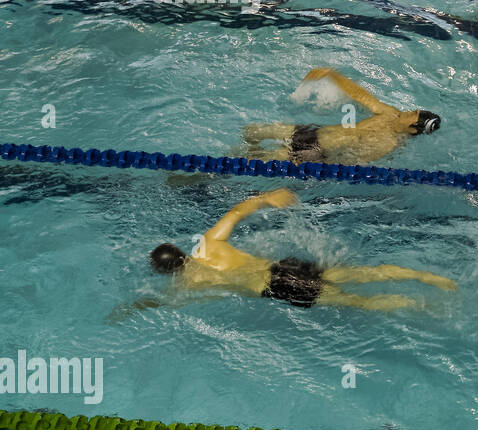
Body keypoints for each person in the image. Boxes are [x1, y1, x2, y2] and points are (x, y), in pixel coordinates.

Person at [133, 189, 456, 314]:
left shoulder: (189, 282)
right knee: (363, 274)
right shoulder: (208, 243)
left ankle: (423, 305)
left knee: (358, 302)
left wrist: (134, 307)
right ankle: (426, 277)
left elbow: (164, 302)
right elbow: (235, 213)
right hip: (284, 267)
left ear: (168, 270)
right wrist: (267, 198)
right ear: (180, 251)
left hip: (277, 287)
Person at [242, 67, 440, 166]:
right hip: (313, 132)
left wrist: (307, 161)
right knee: (253, 130)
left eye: (411, 115)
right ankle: (252, 149)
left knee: (255, 160)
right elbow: (362, 96)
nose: (406, 111)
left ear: (413, 129)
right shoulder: (390, 113)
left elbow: (349, 161)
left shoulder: (388, 145)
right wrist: (332, 75)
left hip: (315, 152)